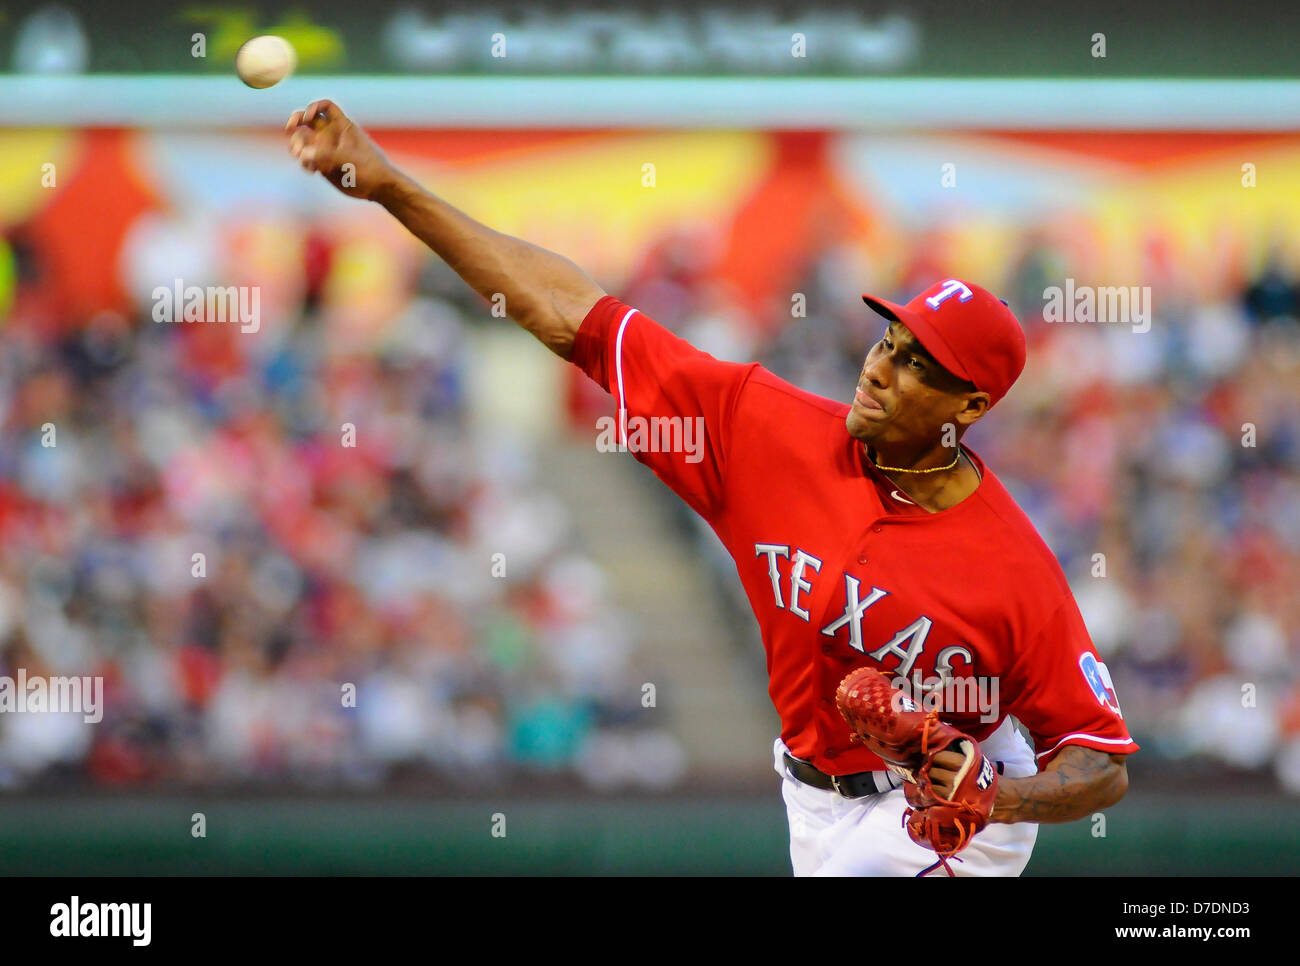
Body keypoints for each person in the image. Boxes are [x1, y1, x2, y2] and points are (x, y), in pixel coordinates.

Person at [285, 101, 1138, 876]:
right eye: (892, 341)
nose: (883, 369)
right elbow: (568, 312)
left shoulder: (1010, 567)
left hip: (952, 816)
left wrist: (999, 798)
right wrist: (390, 184)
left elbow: (1100, 762)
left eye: (922, 368)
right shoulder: (762, 428)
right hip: (811, 797)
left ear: (971, 405)